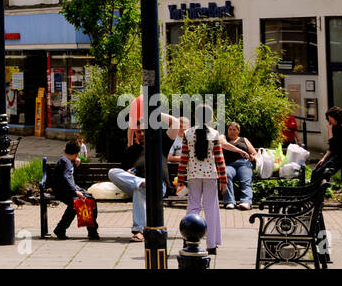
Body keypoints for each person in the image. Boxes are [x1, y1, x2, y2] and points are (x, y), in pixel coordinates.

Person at [107, 112, 184, 242]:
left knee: (140, 190)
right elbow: (126, 172)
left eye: (144, 131)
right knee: (113, 172)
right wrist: (130, 173)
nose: (142, 134)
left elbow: (175, 122)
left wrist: (154, 113)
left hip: (158, 185)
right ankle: (142, 182)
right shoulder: (132, 151)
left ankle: (139, 231)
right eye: (138, 132)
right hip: (138, 183)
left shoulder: (161, 144)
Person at [179, 105, 227, 254]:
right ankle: (211, 245)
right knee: (211, 208)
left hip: (193, 174)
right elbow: (219, 158)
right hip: (210, 175)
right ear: (211, 118)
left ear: (196, 117)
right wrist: (224, 179)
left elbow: (184, 158)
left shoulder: (187, 133)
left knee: (193, 206)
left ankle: (189, 240)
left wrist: (181, 178)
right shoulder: (214, 134)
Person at [51, 140, 98, 239]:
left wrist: (74, 161)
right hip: (65, 191)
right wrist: (75, 191)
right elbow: (66, 177)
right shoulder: (66, 162)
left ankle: (60, 229)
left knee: (75, 206)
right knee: (88, 201)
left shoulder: (65, 160)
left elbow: (66, 175)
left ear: (65, 150)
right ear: (77, 153)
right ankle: (92, 231)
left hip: (62, 190)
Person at [311, 106, 342, 186]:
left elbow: (334, 146)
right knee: (316, 171)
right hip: (337, 157)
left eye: (330, 118)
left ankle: (315, 194)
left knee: (319, 173)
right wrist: (323, 159)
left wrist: (330, 131)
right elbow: (332, 148)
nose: (329, 121)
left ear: (336, 117)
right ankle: (313, 193)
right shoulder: (337, 126)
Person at [220, 122, 258, 210]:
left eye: (234, 130)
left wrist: (253, 157)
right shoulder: (224, 138)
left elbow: (255, 153)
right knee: (226, 174)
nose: (232, 132)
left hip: (244, 163)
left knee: (245, 180)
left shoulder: (244, 139)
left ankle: (246, 202)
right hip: (229, 164)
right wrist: (240, 151)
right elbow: (224, 145)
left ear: (238, 131)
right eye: (230, 129)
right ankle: (229, 202)